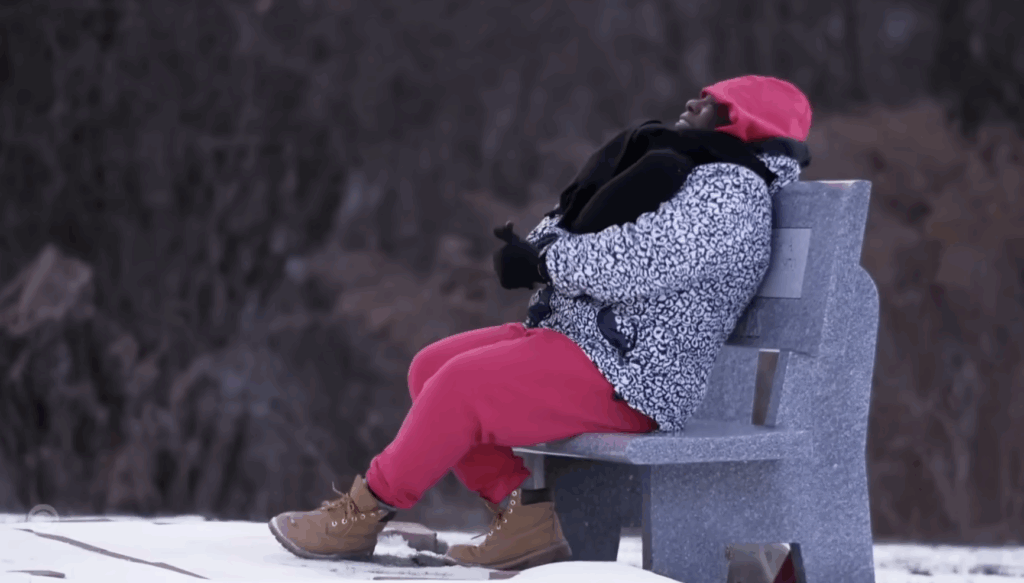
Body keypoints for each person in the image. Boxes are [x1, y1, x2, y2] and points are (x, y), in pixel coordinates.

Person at [267, 74, 814, 572]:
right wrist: (532, 250)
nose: (694, 101)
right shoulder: (686, 166)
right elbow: (572, 220)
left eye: (714, 102)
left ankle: (364, 513)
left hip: (634, 375)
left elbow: (643, 258)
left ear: (745, 122)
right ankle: (523, 521)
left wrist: (548, 262)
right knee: (431, 367)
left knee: (462, 387)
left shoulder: (733, 191)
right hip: (588, 341)